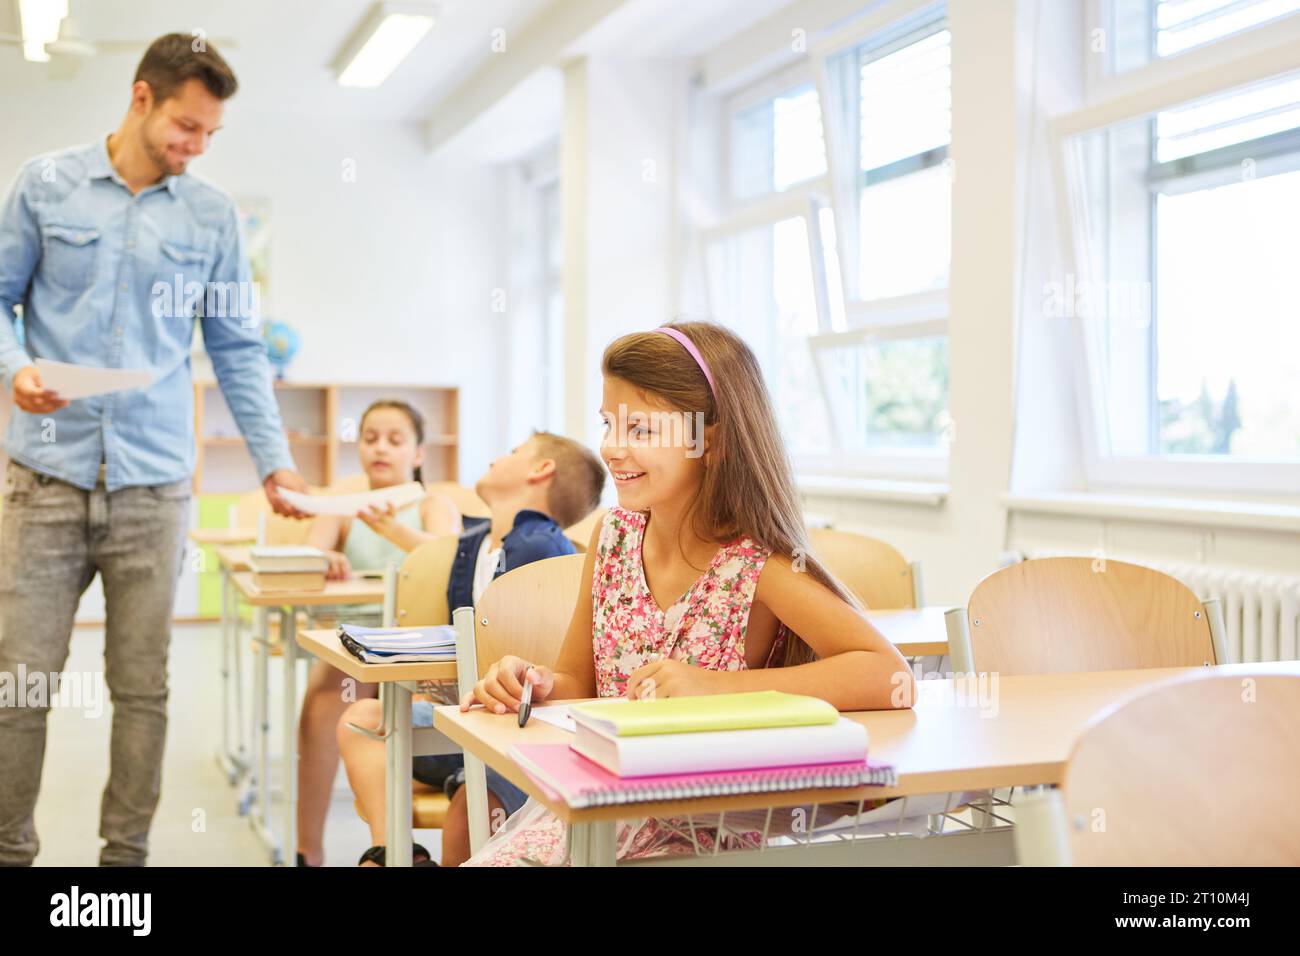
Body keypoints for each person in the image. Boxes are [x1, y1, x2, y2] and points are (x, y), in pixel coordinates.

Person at [0, 34, 311, 867]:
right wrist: (16, 366)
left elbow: (239, 349)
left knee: (142, 688)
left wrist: (275, 462)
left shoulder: (210, 216)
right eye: (185, 127)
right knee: (20, 683)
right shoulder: (45, 184)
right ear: (141, 99)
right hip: (44, 476)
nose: (196, 147)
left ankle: (123, 866)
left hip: (154, 486)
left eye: (210, 135)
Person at [458, 322, 915, 866]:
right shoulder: (613, 534)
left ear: (712, 439)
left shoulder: (757, 561)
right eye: (608, 424)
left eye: (642, 430)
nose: (612, 448)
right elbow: (579, 682)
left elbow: (889, 677)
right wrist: (532, 682)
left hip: (702, 832)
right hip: (600, 812)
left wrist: (718, 687)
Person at [298, 431, 604, 866]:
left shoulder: (540, 546)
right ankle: (395, 853)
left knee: (467, 816)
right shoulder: (476, 542)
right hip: (467, 717)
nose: (498, 455)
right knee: (362, 720)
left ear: (541, 470)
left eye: (513, 451)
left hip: (513, 730)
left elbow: (533, 651)